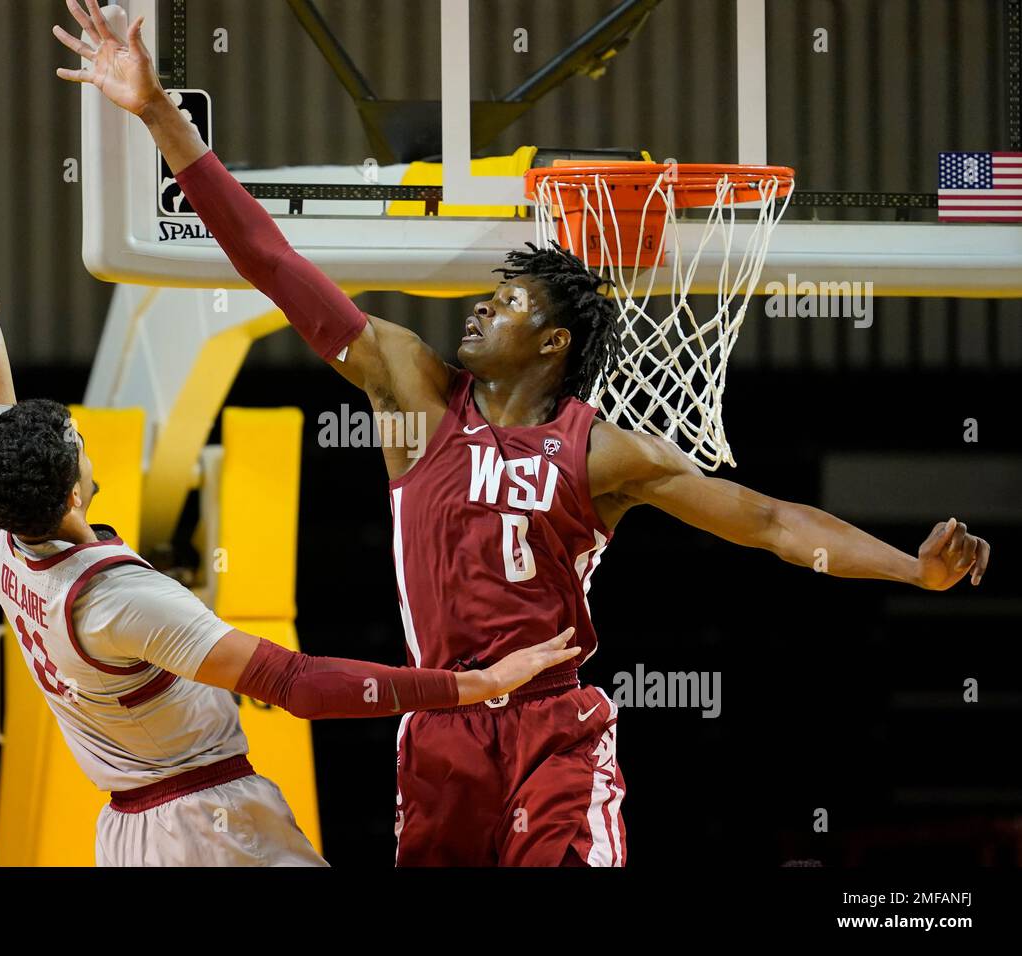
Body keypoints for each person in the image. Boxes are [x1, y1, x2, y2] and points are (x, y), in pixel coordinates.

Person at [53, 0, 991, 866]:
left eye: (503, 302)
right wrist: (157, 116)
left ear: (551, 341)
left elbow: (776, 524)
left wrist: (913, 570)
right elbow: (268, 258)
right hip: (442, 725)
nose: (476, 309)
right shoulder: (411, 390)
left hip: (556, 728)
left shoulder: (603, 450)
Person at [0, 28, 578, 868]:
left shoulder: (0, 523)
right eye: (77, 437)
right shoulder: (119, 604)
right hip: (204, 824)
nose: (81, 430)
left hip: (127, 827)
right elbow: (300, 686)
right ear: (78, 492)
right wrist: (471, 686)